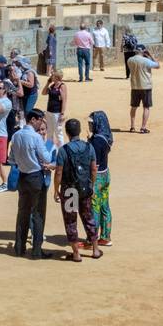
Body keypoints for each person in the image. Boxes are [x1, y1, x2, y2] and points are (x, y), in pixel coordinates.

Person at [53, 118, 101, 261]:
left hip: (70, 191)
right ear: (79, 131)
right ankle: (96, 250)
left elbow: (59, 173)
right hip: (85, 189)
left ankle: (76, 254)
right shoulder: (89, 147)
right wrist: (91, 186)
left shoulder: (63, 150)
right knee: (88, 218)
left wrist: (56, 190)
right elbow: (93, 169)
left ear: (67, 133)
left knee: (70, 221)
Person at [10, 109, 55, 259]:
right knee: (38, 214)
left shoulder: (16, 136)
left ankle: (19, 248)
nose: (41, 123)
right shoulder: (36, 137)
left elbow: (11, 159)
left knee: (22, 213)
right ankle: (36, 250)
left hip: (22, 178)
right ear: (33, 119)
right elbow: (47, 158)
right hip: (36, 178)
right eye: (40, 120)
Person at [86, 109, 113, 247]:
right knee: (105, 206)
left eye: (91, 123)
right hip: (106, 174)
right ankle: (106, 237)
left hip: (97, 177)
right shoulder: (105, 137)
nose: (90, 125)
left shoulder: (96, 141)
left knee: (94, 207)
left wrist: (91, 181)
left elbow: (94, 165)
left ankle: (93, 239)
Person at [127, 44, 160, 134]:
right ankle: (143, 127)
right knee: (146, 107)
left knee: (134, 107)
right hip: (146, 86)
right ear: (143, 51)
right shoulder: (146, 61)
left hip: (135, 86)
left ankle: (132, 127)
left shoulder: (130, 60)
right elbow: (158, 65)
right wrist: (150, 55)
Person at [42, 69, 69, 146]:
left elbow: (64, 101)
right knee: (49, 131)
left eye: (52, 75)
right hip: (49, 111)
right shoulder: (52, 85)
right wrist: (48, 83)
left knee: (58, 132)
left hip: (57, 113)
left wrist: (62, 114)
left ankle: (61, 151)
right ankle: (49, 149)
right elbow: (43, 93)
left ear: (56, 77)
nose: (51, 76)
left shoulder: (62, 86)